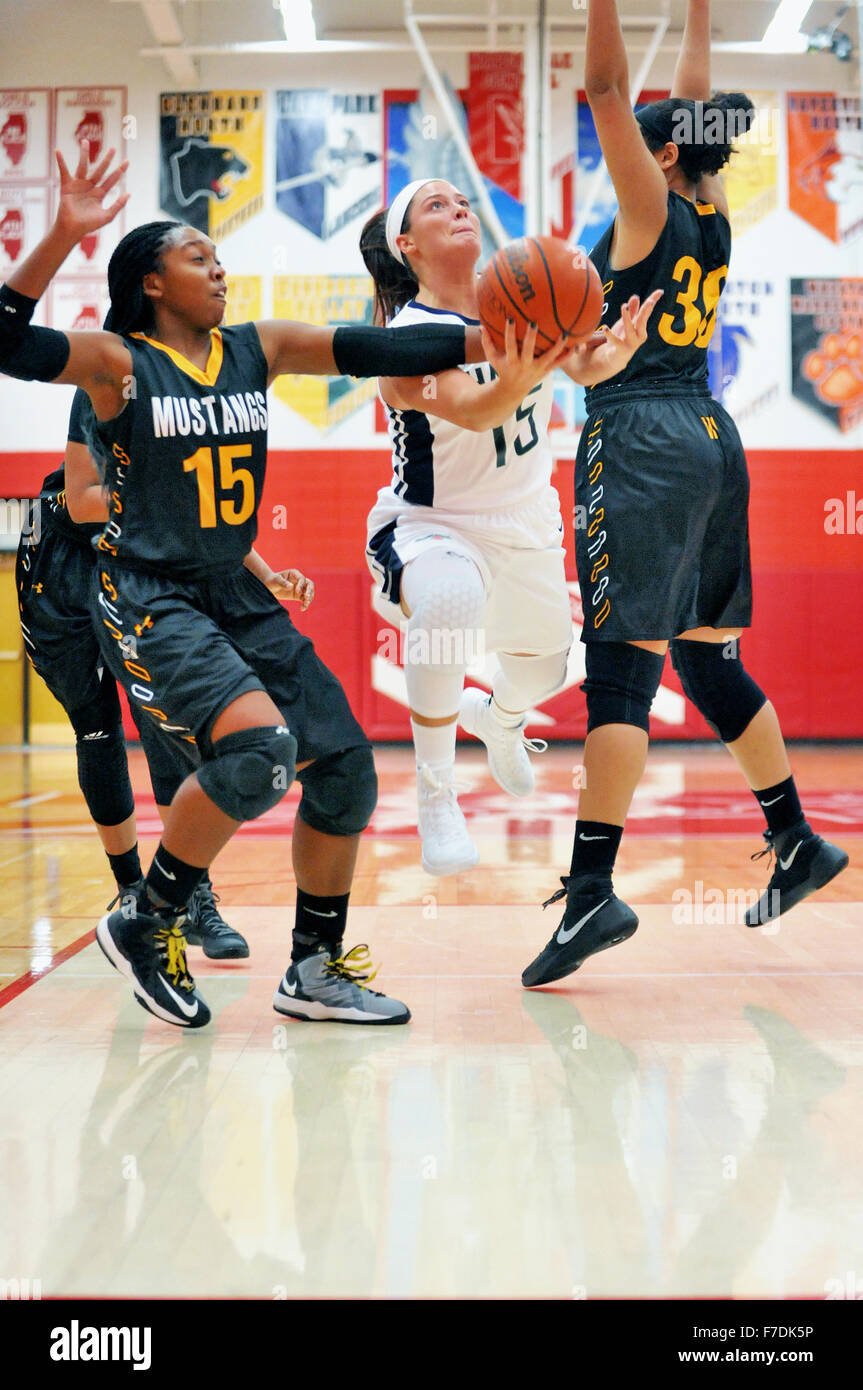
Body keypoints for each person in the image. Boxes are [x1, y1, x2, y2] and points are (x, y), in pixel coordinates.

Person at [0, 140, 493, 1028]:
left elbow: (381, 341)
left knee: (344, 771)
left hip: (233, 589)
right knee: (259, 756)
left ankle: (311, 969)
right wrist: (61, 235)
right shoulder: (115, 363)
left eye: (221, 258)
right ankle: (150, 920)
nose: (219, 270)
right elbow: (2, 341)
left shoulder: (256, 347)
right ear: (151, 282)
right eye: (198, 258)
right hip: (148, 594)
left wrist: (508, 334)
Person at [523, 0, 848, 988]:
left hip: (638, 436)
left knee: (620, 672)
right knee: (707, 663)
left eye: (647, 134)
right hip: (710, 435)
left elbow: (607, 89)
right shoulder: (708, 216)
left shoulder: (651, 206)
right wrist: (699, 9)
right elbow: (686, 106)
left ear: (657, 156)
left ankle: (590, 892)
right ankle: (793, 837)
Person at [360, 179, 662, 875]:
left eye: (461, 200)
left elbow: (588, 366)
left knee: (548, 667)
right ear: (405, 246)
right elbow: (476, 409)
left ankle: (498, 720)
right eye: (436, 206)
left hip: (526, 524)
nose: (459, 208)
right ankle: (436, 793)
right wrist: (527, 365)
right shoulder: (400, 342)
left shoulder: (523, 293)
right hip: (431, 522)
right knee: (447, 602)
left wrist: (614, 349)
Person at [16, 394, 315, 959]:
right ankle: (131, 890)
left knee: (167, 721)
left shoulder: (195, 403)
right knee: (97, 729)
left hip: (134, 558)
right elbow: (90, 507)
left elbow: (202, 516)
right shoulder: (111, 379)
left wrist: (265, 575)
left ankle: (188, 894)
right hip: (60, 562)